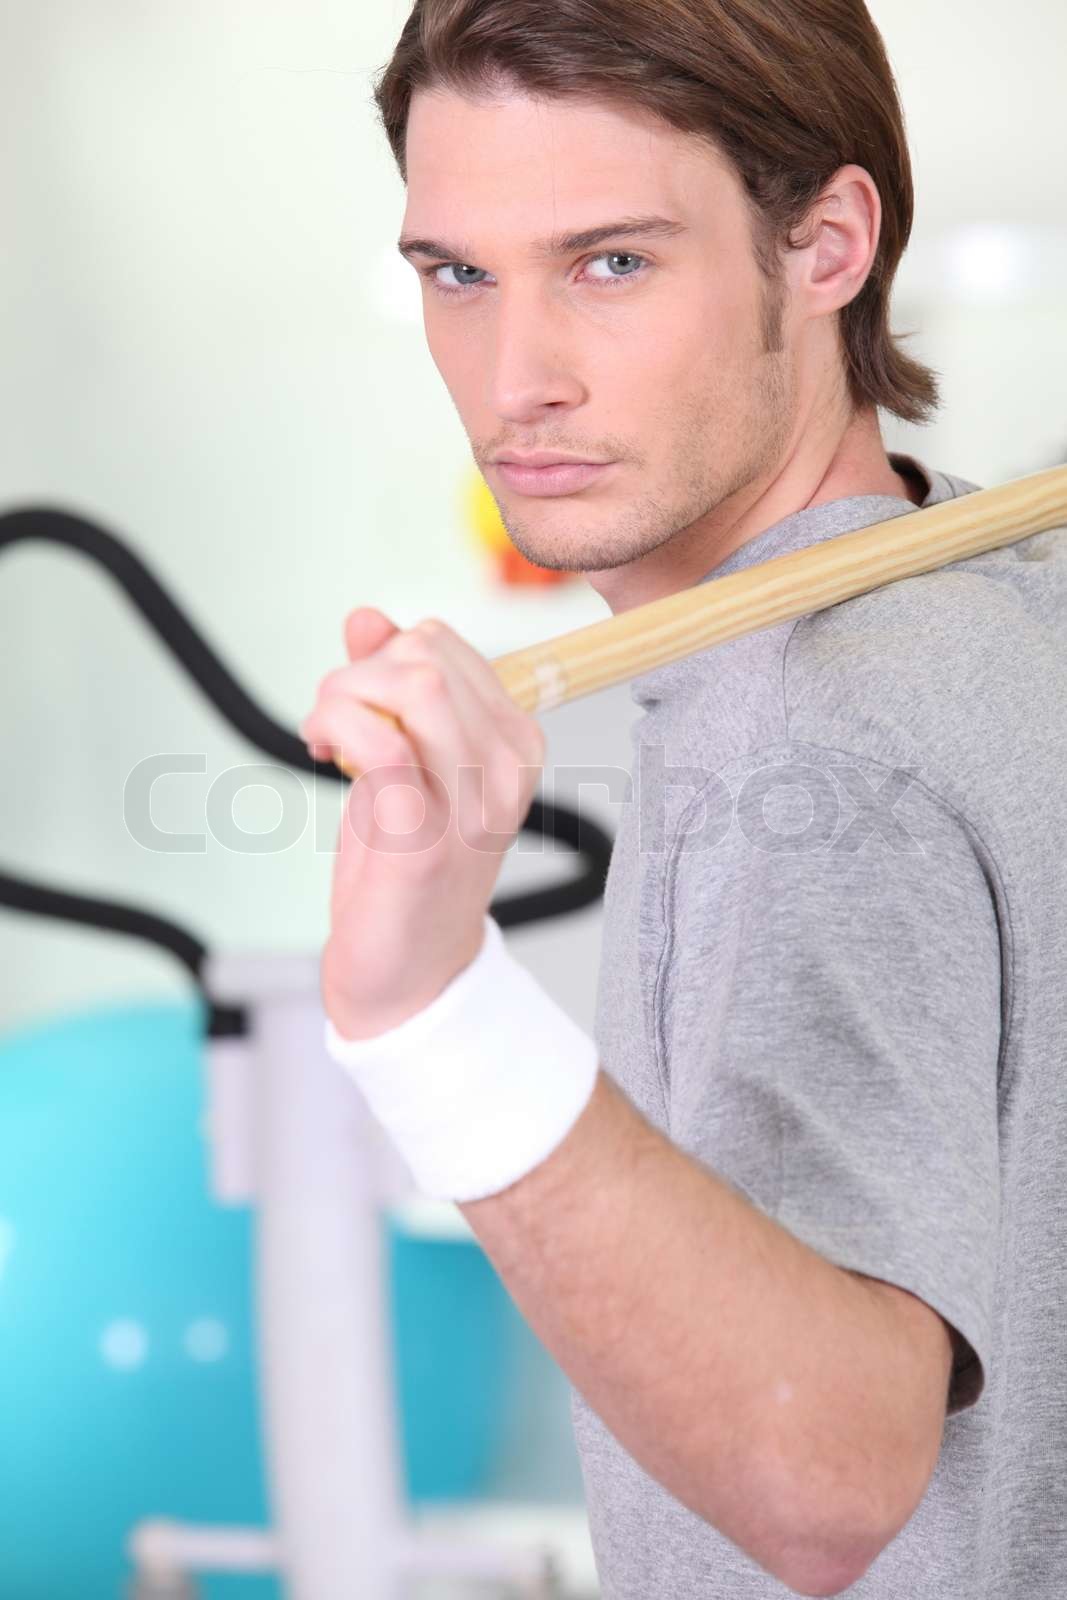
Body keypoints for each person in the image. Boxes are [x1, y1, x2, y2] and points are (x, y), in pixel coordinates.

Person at [299, 3, 1067, 1595]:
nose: (518, 381)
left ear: (828, 244)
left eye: (613, 263)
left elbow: (824, 1474)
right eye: (457, 274)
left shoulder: (823, 732)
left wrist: (425, 1007)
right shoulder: (991, 584)